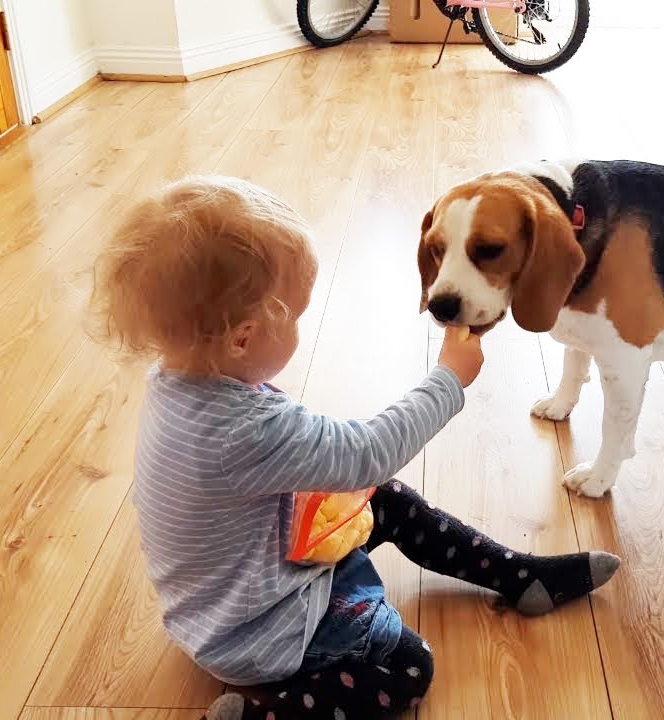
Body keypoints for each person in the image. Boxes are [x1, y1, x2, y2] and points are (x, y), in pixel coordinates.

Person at [88, 176, 621, 720]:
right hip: (263, 629)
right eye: (293, 317)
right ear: (243, 338)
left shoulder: (175, 382)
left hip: (220, 602)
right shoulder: (242, 430)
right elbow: (364, 452)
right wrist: (448, 380)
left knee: (379, 498)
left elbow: (324, 467)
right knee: (406, 668)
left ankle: (518, 577)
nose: (300, 327)